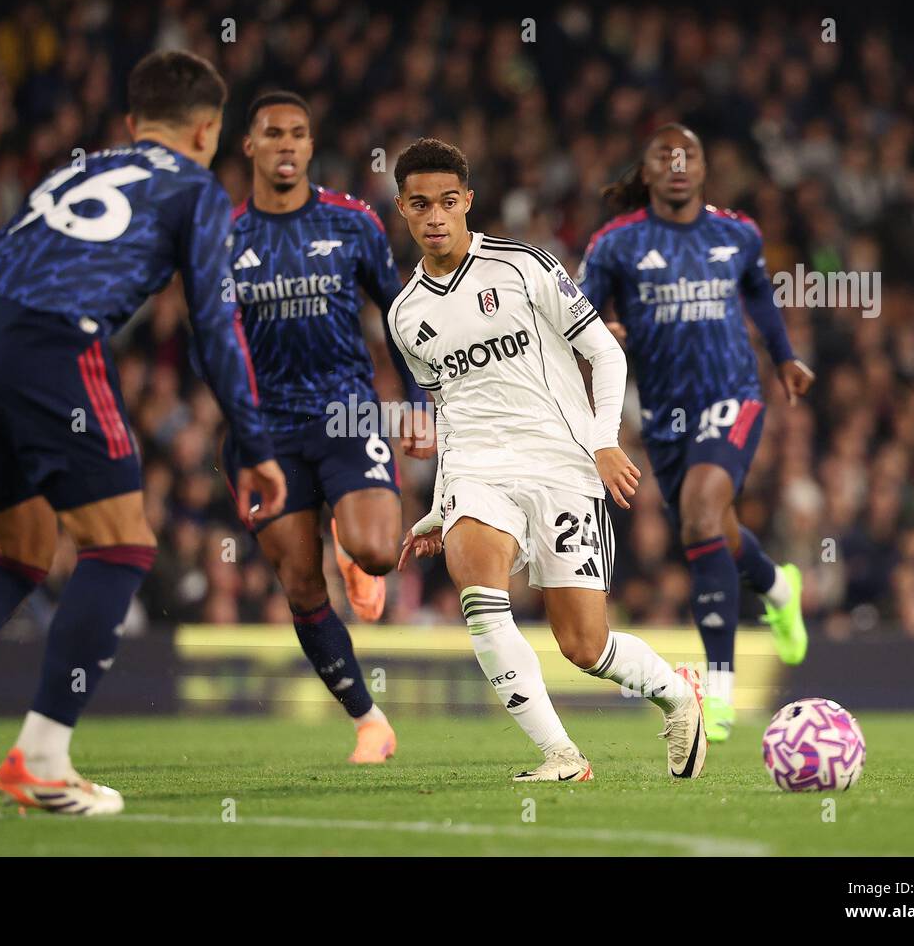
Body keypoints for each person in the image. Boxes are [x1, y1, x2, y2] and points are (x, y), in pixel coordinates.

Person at [0, 51, 287, 816]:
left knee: (20, 553)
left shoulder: (71, 173)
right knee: (122, 545)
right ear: (206, 130)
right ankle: (44, 757)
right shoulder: (196, 188)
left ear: (131, 126)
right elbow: (214, 324)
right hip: (48, 341)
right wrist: (253, 444)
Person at [392, 138, 706, 782]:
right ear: (402, 209)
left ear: (467, 203)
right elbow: (447, 413)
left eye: (447, 201)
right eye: (419, 204)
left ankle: (677, 695)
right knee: (479, 592)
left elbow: (606, 353)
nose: (435, 216)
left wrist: (603, 438)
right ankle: (562, 755)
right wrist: (440, 504)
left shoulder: (525, 266)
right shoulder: (406, 316)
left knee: (584, 646)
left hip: (561, 466)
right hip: (479, 472)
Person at [577, 123, 814, 743]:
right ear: (648, 171)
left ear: (704, 168)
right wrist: (604, 333)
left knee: (704, 516)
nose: (678, 164)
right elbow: (575, 319)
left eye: (690, 155)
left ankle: (721, 689)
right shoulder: (614, 245)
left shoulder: (736, 233)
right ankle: (775, 586)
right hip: (664, 413)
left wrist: (784, 355)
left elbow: (760, 295)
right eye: (665, 155)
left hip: (733, 396)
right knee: (707, 527)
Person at [223, 91, 432, 762]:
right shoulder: (224, 240)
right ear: (250, 147)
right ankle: (370, 720)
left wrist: (419, 402)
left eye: (298, 134)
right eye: (272, 134)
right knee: (300, 584)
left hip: (347, 412)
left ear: (311, 147)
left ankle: (351, 539)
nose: (286, 144)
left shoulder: (353, 221)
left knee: (377, 552)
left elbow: (396, 316)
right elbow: (212, 341)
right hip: (266, 433)